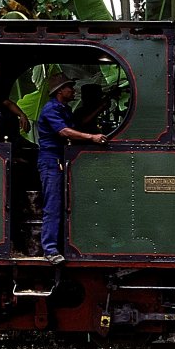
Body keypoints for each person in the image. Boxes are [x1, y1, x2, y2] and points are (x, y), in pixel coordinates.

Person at [36, 73, 108, 264]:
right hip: (52, 161)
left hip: (63, 160)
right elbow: (64, 131)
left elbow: (80, 124)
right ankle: (50, 249)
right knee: (53, 205)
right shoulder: (51, 109)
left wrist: (101, 107)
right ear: (60, 91)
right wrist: (91, 138)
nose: (73, 90)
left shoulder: (64, 109)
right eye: (70, 87)